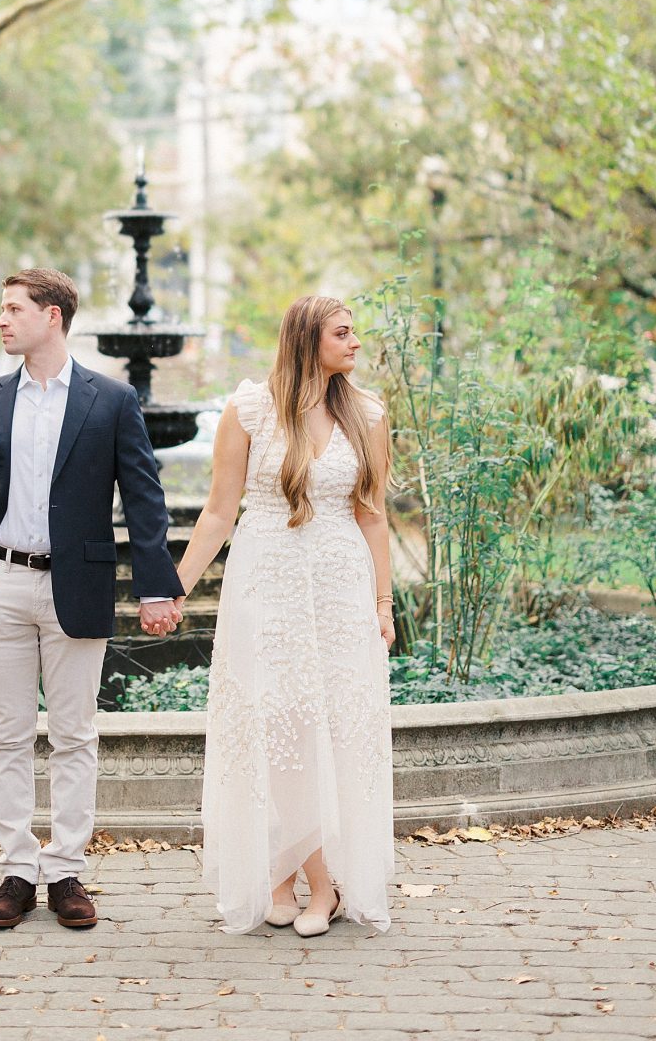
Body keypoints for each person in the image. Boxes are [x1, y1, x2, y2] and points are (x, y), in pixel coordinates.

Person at [0, 268, 184, 932]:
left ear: (52, 316)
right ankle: (17, 871)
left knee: (74, 734)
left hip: (78, 585)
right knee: (9, 734)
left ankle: (66, 870)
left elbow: (143, 497)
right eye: (1, 308)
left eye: (14, 308)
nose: (2, 319)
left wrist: (157, 582)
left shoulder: (110, 400)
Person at [176, 294, 395, 936]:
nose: (355, 343)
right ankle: (281, 875)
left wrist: (383, 603)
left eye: (354, 333)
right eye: (343, 333)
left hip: (337, 584)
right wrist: (176, 587)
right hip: (265, 583)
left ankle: (322, 887)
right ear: (308, 339)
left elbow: (373, 514)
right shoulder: (248, 410)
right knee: (272, 727)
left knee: (332, 727)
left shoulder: (368, 415)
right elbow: (219, 511)